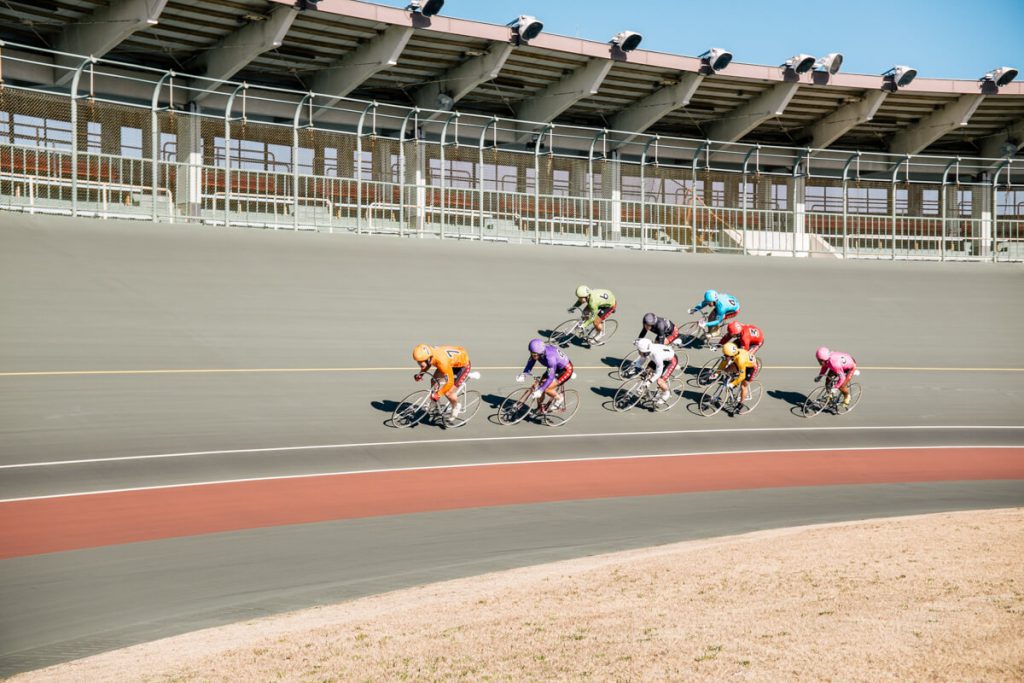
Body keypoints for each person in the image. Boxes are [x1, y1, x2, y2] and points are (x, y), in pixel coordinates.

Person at [412, 343, 471, 423]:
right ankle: (434, 403)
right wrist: (421, 374)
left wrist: (438, 394)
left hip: (462, 367)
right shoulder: (431, 355)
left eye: (420, 361)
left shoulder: (441, 362)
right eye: (418, 361)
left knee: (448, 393)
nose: (419, 363)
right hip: (450, 361)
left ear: (428, 358)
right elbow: (428, 364)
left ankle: (456, 406)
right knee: (433, 380)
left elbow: (450, 382)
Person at [517, 338, 573, 412]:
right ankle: (539, 408)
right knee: (540, 385)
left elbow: (550, 377)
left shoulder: (550, 359)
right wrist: (524, 374)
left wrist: (540, 391)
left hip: (565, 370)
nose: (532, 356)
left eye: (534, 354)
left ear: (541, 353)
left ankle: (559, 398)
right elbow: (531, 362)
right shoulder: (538, 352)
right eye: (531, 353)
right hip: (555, 367)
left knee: (546, 388)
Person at [633, 337, 678, 406]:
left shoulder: (656, 356)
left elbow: (658, 372)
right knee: (647, 372)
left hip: (670, 361)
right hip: (659, 358)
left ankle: (666, 393)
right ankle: (646, 391)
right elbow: (642, 358)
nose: (638, 352)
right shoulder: (647, 350)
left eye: (640, 351)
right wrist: (637, 367)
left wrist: (649, 382)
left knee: (659, 381)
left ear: (646, 352)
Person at [717, 342, 757, 408]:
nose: (725, 356)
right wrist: (717, 373)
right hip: (739, 362)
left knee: (743, 386)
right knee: (726, 370)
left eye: (726, 355)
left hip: (750, 367)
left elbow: (742, 376)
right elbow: (723, 364)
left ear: (731, 355)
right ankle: (734, 382)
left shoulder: (740, 360)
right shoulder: (731, 354)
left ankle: (740, 404)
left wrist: (732, 384)